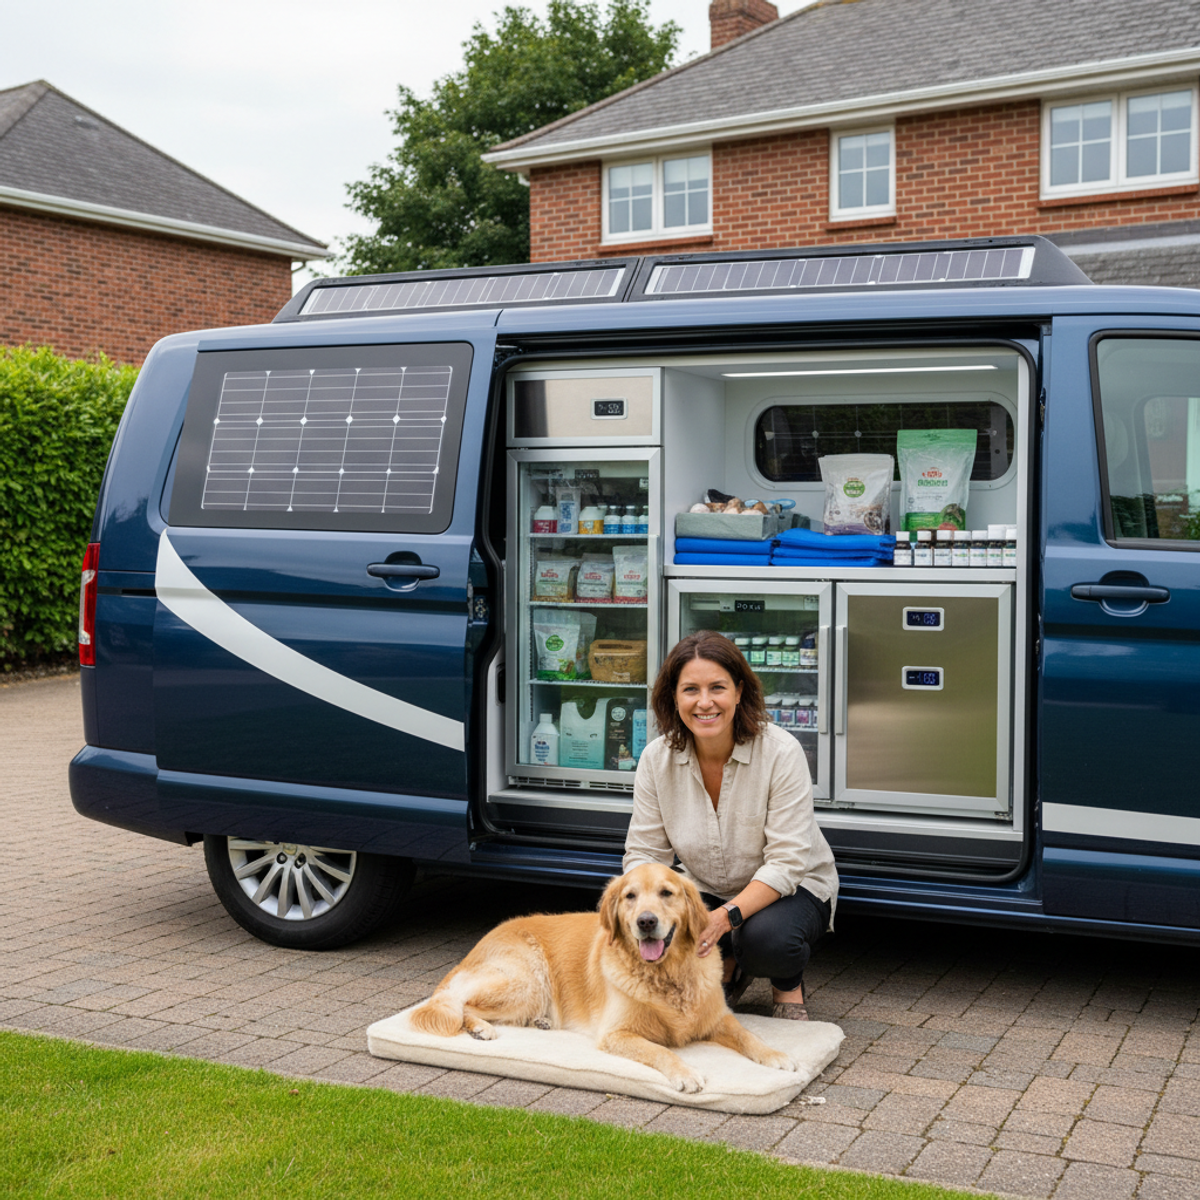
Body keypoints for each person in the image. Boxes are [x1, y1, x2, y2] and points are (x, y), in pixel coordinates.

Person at [623, 630, 838, 1019]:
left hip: (792, 888)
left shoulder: (781, 752)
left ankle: (786, 984)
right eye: (690, 689)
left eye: (717, 688)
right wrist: (643, 906)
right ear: (674, 696)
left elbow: (787, 862)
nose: (704, 703)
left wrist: (724, 918)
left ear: (739, 692)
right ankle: (728, 965)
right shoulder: (656, 759)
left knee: (767, 941)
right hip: (707, 886)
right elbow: (645, 852)